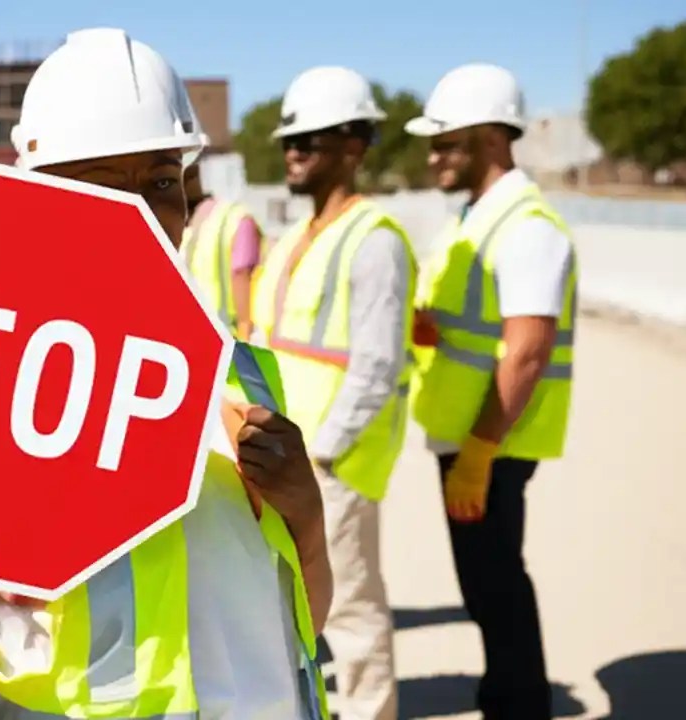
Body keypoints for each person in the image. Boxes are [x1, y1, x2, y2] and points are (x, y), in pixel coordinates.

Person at [0, 27, 335, 720]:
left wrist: (307, 519)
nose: (144, 212)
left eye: (162, 181)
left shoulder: (240, 378)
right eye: (103, 185)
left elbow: (298, 629)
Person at [407, 63, 577, 720]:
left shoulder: (526, 226)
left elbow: (527, 350)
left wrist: (479, 451)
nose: (434, 157)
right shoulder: (475, 219)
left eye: (446, 143)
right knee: (484, 587)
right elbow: (474, 323)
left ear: (492, 140)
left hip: (493, 443)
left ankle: (518, 707)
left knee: (497, 588)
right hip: (467, 436)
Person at [250, 66, 416, 720]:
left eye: (309, 141)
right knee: (283, 601)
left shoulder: (375, 241)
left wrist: (323, 455)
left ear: (353, 145)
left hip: (330, 462)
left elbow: (377, 365)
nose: (293, 152)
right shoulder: (295, 238)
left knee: (350, 609)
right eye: (289, 141)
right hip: (281, 456)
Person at [181, 153, 267, 341]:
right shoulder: (173, 226)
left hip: (227, 343)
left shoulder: (232, 219)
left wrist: (244, 348)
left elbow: (246, 315)